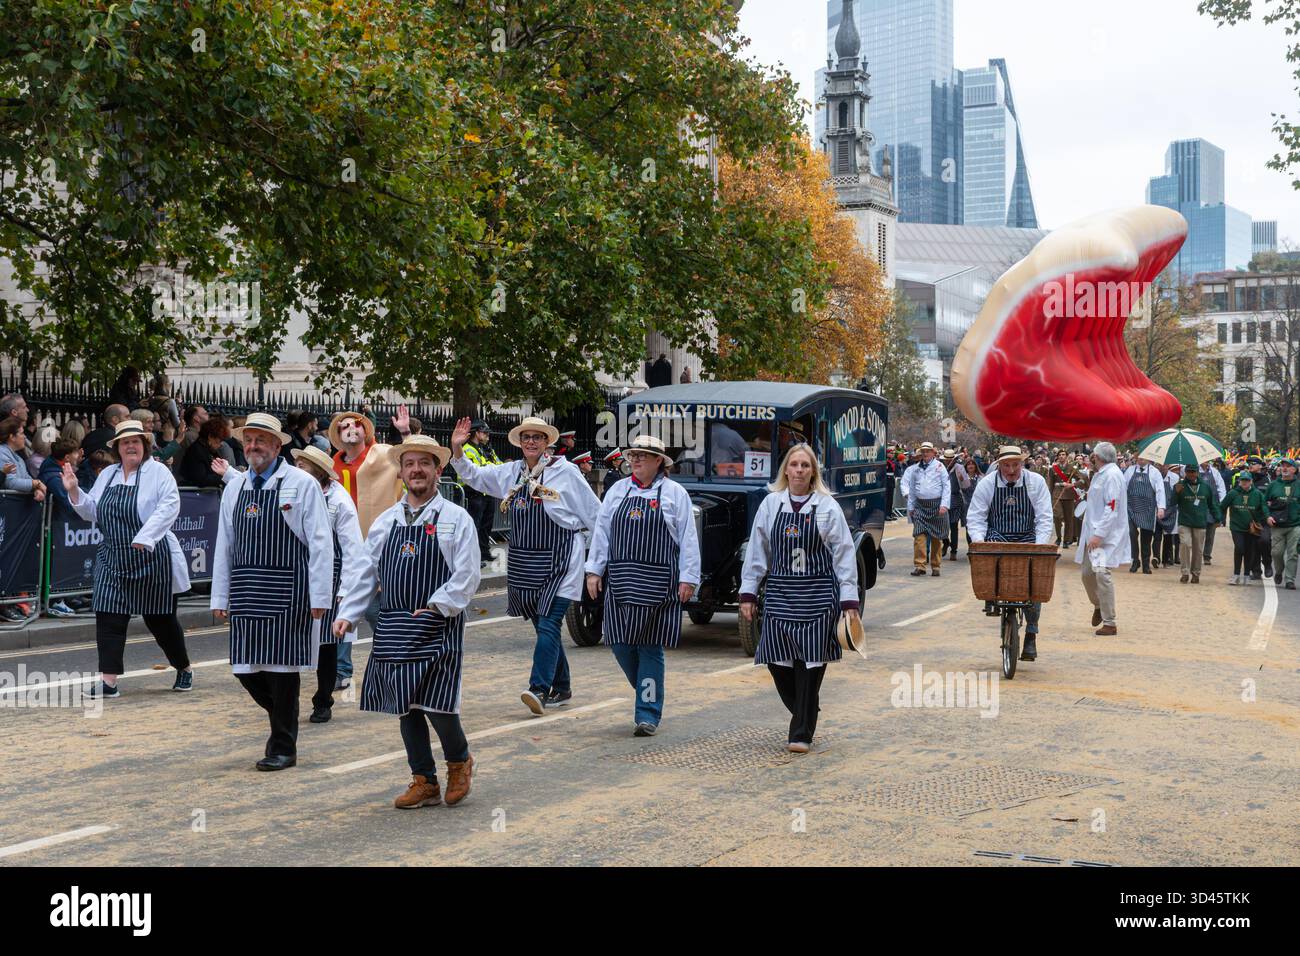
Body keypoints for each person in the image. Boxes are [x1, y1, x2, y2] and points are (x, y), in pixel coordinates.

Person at [334, 436, 480, 809]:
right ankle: (424, 780)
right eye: (410, 463)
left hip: (437, 623)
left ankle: (459, 762)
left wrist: (437, 606)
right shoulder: (386, 522)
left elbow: (466, 574)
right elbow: (366, 571)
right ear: (401, 472)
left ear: (438, 470)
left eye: (424, 463)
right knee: (404, 704)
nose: (416, 470)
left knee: (437, 704)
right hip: (395, 623)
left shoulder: (454, 518)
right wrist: (349, 612)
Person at [450, 415, 600, 715]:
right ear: (520, 442)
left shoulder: (566, 473)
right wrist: (456, 450)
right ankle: (563, 685)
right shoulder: (511, 472)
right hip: (524, 562)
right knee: (541, 625)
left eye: (538, 437)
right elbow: (475, 476)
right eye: (526, 437)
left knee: (548, 622)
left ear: (547, 442)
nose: (531, 442)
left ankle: (538, 689)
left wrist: (595, 565)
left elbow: (595, 517)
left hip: (560, 560)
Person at [211, 413, 334, 771]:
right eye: (248, 440)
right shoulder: (235, 487)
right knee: (245, 669)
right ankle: (286, 716)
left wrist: (320, 597)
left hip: (288, 592)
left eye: (260, 441)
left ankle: (282, 746)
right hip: (247, 589)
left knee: (282, 672)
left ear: (277, 446)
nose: (253, 447)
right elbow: (225, 545)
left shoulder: (301, 483)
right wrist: (221, 596)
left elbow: (321, 544)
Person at [740, 443, 860, 754]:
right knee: (775, 659)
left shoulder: (826, 507)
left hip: (818, 594)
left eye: (805, 466)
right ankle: (806, 709)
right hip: (780, 591)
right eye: (794, 465)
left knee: (810, 662)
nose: (798, 470)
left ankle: (801, 732)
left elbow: (844, 553)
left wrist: (849, 602)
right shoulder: (771, 505)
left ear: (813, 472)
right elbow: (757, 551)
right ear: (786, 470)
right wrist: (748, 593)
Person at [64, 419, 194, 697]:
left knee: (161, 622)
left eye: (136, 441)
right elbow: (92, 511)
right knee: (109, 617)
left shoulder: (158, 472)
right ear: (118, 448)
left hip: (152, 557)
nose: (131, 446)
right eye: (126, 442)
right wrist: (74, 489)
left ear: (145, 446)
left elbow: (170, 506)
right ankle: (108, 682)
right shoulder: (108, 474)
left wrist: (145, 537)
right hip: (113, 558)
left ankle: (183, 667)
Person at [585, 435, 701, 736]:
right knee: (619, 642)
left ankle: (647, 714)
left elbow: (688, 538)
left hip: (658, 583)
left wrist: (688, 578)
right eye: (633, 455)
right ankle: (649, 689)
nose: (635, 460)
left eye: (643, 456)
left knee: (650, 647)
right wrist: (594, 571)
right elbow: (602, 532)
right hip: (622, 580)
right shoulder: (617, 491)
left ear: (659, 462)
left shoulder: (675, 494)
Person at [328, 406, 411, 689]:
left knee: (377, 611)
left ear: (366, 431)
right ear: (338, 435)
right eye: (344, 427)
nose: (351, 429)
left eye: (356, 424)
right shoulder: (330, 467)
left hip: (377, 548)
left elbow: (412, 463)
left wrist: (405, 433)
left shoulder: (384, 456)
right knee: (342, 609)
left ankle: (396, 662)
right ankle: (341, 671)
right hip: (343, 550)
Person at [287, 445, 368, 724]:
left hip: (331, 578)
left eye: (304, 464)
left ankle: (323, 700)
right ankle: (287, 703)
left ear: (319, 471)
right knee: (291, 643)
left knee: (326, 644)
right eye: (296, 462)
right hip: (296, 575)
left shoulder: (338, 501)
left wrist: (345, 590)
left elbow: (352, 548)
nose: (297, 468)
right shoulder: (291, 492)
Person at [965, 445, 1055, 661]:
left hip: (1028, 537)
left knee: (1035, 582)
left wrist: (1039, 547)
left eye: (1016, 464)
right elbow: (976, 517)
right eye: (1007, 465)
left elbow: (1044, 517)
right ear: (999, 465)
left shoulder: (1036, 482)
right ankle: (992, 596)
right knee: (991, 561)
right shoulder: (987, 484)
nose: (1012, 470)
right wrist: (980, 543)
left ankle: (1031, 632)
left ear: (1022, 464)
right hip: (999, 536)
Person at [1076, 442, 1128, 636]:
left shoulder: (1113, 476)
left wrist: (1099, 535)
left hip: (1104, 536)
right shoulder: (1101, 474)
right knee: (1086, 574)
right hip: (1093, 533)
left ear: (1098, 457)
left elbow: (1111, 507)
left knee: (1101, 574)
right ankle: (1098, 605)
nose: (1091, 459)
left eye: (1093, 456)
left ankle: (1110, 621)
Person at [903, 441, 949, 577]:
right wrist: (911, 507)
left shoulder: (940, 467)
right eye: (923, 451)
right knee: (919, 536)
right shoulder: (915, 469)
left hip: (937, 506)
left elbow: (947, 487)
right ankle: (920, 565)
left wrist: (944, 505)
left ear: (933, 453)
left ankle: (936, 566)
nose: (925, 453)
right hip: (920, 506)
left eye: (928, 451)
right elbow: (911, 489)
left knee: (936, 538)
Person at [459, 420, 502, 565]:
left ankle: (484, 552)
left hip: (487, 491)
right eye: (484, 432)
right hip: (473, 492)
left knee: (486, 525)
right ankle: (474, 557)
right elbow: (478, 470)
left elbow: (499, 465)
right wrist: (493, 469)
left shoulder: (486, 449)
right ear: (476, 433)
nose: (487, 435)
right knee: (474, 526)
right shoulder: (467, 449)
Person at [1172, 464, 1221, 584]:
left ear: (1197, 473)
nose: (1191, 474)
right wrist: (1176, 493)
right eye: (1188, 472)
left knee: (1198, 549)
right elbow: (1172, 503)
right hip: (1185, 521)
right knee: (1185, 544)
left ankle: (1196, 573)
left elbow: (1212, 504)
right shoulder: (1179, 486)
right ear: (1185, 473)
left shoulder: (1205, 487)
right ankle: (1185, 572)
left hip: (1200, 522)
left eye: (1193, 472)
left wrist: (1218, 518)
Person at [1221, 471, 1266, 586]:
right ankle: (1236, 574)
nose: (1245, 482)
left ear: (1251, 481)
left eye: (1247, 480)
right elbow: (1222, 506)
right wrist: (1219, 518)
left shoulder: (1257, 494)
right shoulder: (1233, 493)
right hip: (1236, 526)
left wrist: (1266, 518)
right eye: (1243, 480)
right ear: (1239, 481)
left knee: (1249, 551)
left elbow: (1263, 507)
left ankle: (1246, 574)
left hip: (1251, 527)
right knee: (1239, 548)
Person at [1123, 457, 1166, 574]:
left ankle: (1146, 563)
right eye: (1139, 458)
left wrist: (1161, 507)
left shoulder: (1154, 472)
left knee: (1146, 536)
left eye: (1143, 458)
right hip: (1131, 507)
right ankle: (1135, 560)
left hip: (1148, 508)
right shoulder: (1130, 470)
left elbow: (1160, 490)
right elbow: (1123, 488)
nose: (1141, 460)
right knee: (1131, 533)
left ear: (1148, 458)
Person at [1264, 457, 1300, 589]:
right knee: (1276, 553)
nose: (1284, 468)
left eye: (1288, 466)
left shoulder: (1299, 485)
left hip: (1295, 525)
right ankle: (1279, 571)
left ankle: (1290, 580)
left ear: (1294, 470)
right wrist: (1267, 516)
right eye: (1282, 466)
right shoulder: (1273, 485)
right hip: (1277, 525)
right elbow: (1264, 503)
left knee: (1293, 553)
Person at [179, 418, 235, 489]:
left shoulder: (209, 450)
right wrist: (223, 476)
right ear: (210, 437)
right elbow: (201, 479)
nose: (220, 444)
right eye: (219, 441)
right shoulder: (196, 451)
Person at [0, 418, 46, 500]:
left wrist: (36, 489)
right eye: (21, 433)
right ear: (12, 437)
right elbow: (10, 483)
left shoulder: (18, 458)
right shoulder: (2, 453)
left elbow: (27, 478)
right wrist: (36, 483)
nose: (25, 437)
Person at [1048, 450, 1081, 546]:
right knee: (1057, 516)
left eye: (1063, 455)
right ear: (1057, 457)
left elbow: (1081, 479)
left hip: (1068, 494)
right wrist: (1049, 497)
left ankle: (1066, 540)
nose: (1061, 456)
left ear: (1066, 456)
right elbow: (1050, 484)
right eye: (1060, 455)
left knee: (1068, 518)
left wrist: (1072, 484)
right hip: (1057, 494)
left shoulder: (1072, 468)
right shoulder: (1053, 469)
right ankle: (1058, 537)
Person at [1198, 460, 1226, 567]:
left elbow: (1221, 488)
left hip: (1212, 506)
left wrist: (1221, 504)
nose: (1205, 462)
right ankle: (1197, 555)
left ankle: (1207, 556)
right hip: (1199, 506)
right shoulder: (1195, 471)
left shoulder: (1215, 472)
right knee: (1198, 533)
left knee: (1210, 533)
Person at [941, 449, 966, 560]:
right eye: (946, 459)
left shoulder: (959, 467)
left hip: (955, 499)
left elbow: (966, 484)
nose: (948, 461)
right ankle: (946, 542)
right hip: (944, 499)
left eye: (949, 459)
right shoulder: (942, 468)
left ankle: (953, 550)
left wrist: (962, 479)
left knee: (953, 526)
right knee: (942, 525)